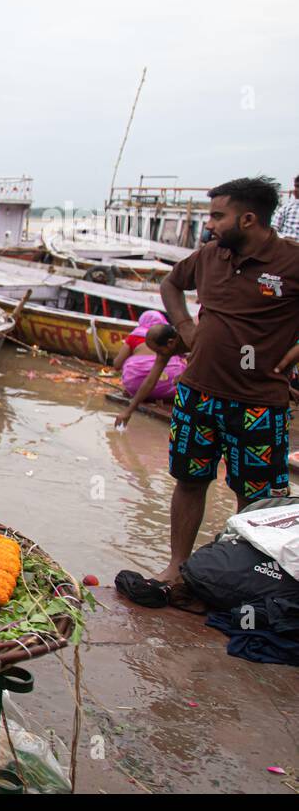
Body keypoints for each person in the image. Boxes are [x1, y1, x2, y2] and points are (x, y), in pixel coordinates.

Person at [118, 177, 299, 608]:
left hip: (258, 402)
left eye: (218, 215)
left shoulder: (291, 261)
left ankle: (247, 585)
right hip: (197, 394)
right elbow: (170, 285)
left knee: (255, 497)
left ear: (248, 218)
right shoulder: (209, 256)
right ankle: (177, 570)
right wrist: (185, 327)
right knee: (189, 480)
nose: (211, 224)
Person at [113, 320, 189, 427]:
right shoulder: (166, 350)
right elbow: (150, 381)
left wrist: (185, 375)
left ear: (171, 343)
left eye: (159, 351)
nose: (158, 355)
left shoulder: (194, 338)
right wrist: (128, 411)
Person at [274, 174, 299, 240]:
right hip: (286, 246)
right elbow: (273, 228)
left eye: (298, 187)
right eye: (295, 186)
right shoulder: (286, 208)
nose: (295, 190)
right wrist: (284, 238)